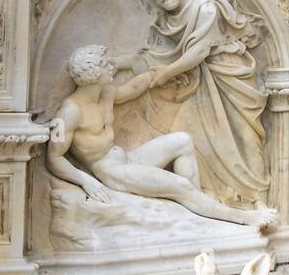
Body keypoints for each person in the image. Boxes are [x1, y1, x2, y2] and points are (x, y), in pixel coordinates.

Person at [45, 44, 274, 230]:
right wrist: (86, 180)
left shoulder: (105, 94)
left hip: (126, 158)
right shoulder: (70, 111)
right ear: (93, 74)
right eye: (106, 65)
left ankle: (195, 209)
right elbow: (54, 158)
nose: (111, 66)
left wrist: (162, 72)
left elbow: (134, 89)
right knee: (180, 184)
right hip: (111, 172)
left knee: (182, 140)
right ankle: (243, 218)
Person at [137, 0, 271, 209]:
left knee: (245, 132)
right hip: (198, 80)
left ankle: (258, 198)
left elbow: (200, 50)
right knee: (185, 130)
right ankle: (206, 199)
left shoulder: (206, 3)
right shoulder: (165, 21)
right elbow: (153, 53)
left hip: (229, 72)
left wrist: (167, 72)